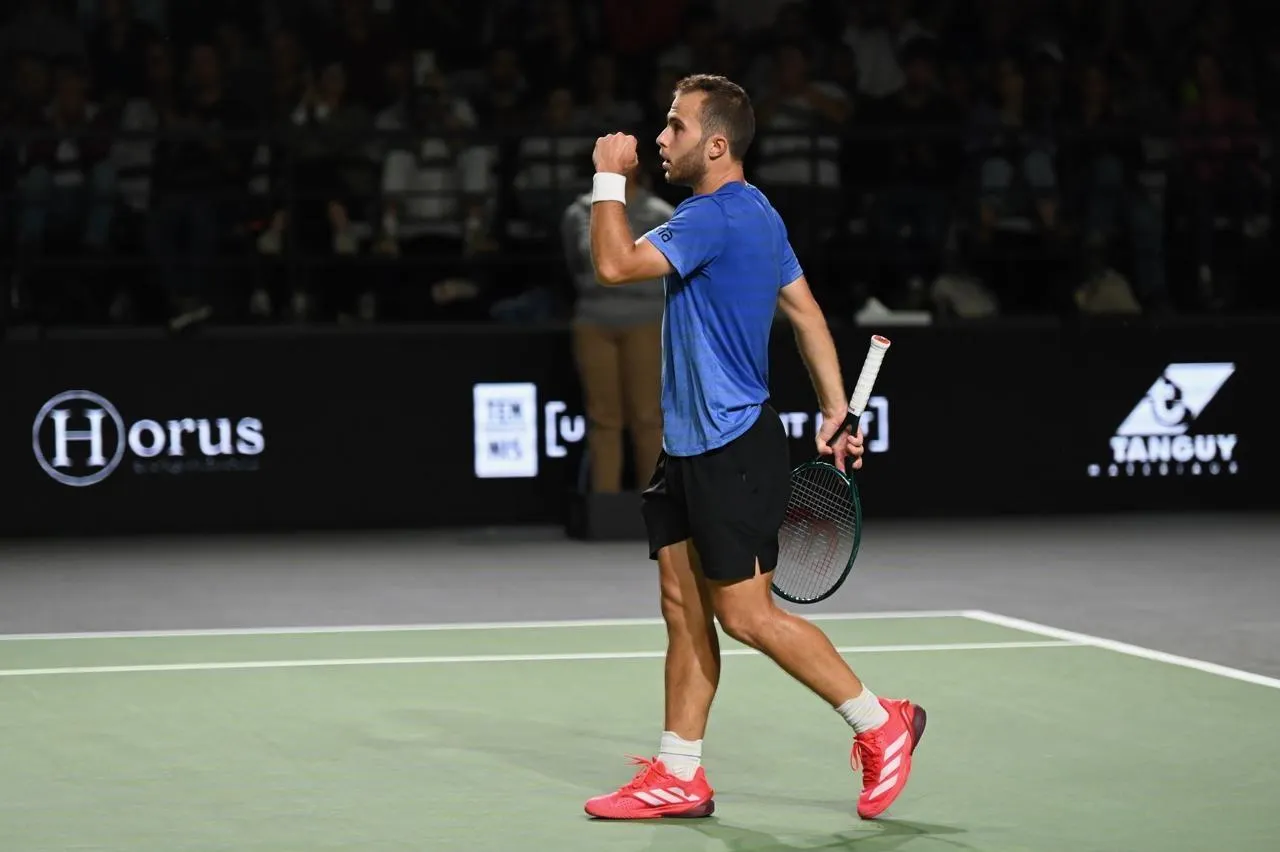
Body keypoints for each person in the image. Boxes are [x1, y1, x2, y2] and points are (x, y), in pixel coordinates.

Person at [583, 73, 926, 822]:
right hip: (687, 447)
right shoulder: (759, 214)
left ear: (715, 144)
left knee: (747, 617)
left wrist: (610, 175)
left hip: (730, 449)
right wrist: (835, 407)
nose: (661, 138)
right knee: (682, 607)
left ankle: (881, 722)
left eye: (674, 127)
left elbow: (612, 267)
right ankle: (679, 773)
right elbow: (804, 312)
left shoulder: (712, 217)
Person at [561, 163, 673, 492]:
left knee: (648, 417)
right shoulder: (579, 211)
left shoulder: (661, 213)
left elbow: (665, 267)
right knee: (602, 419)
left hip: (646, 319)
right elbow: (580, 261)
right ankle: (605, 504)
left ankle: (655, 505)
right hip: (594, 319)